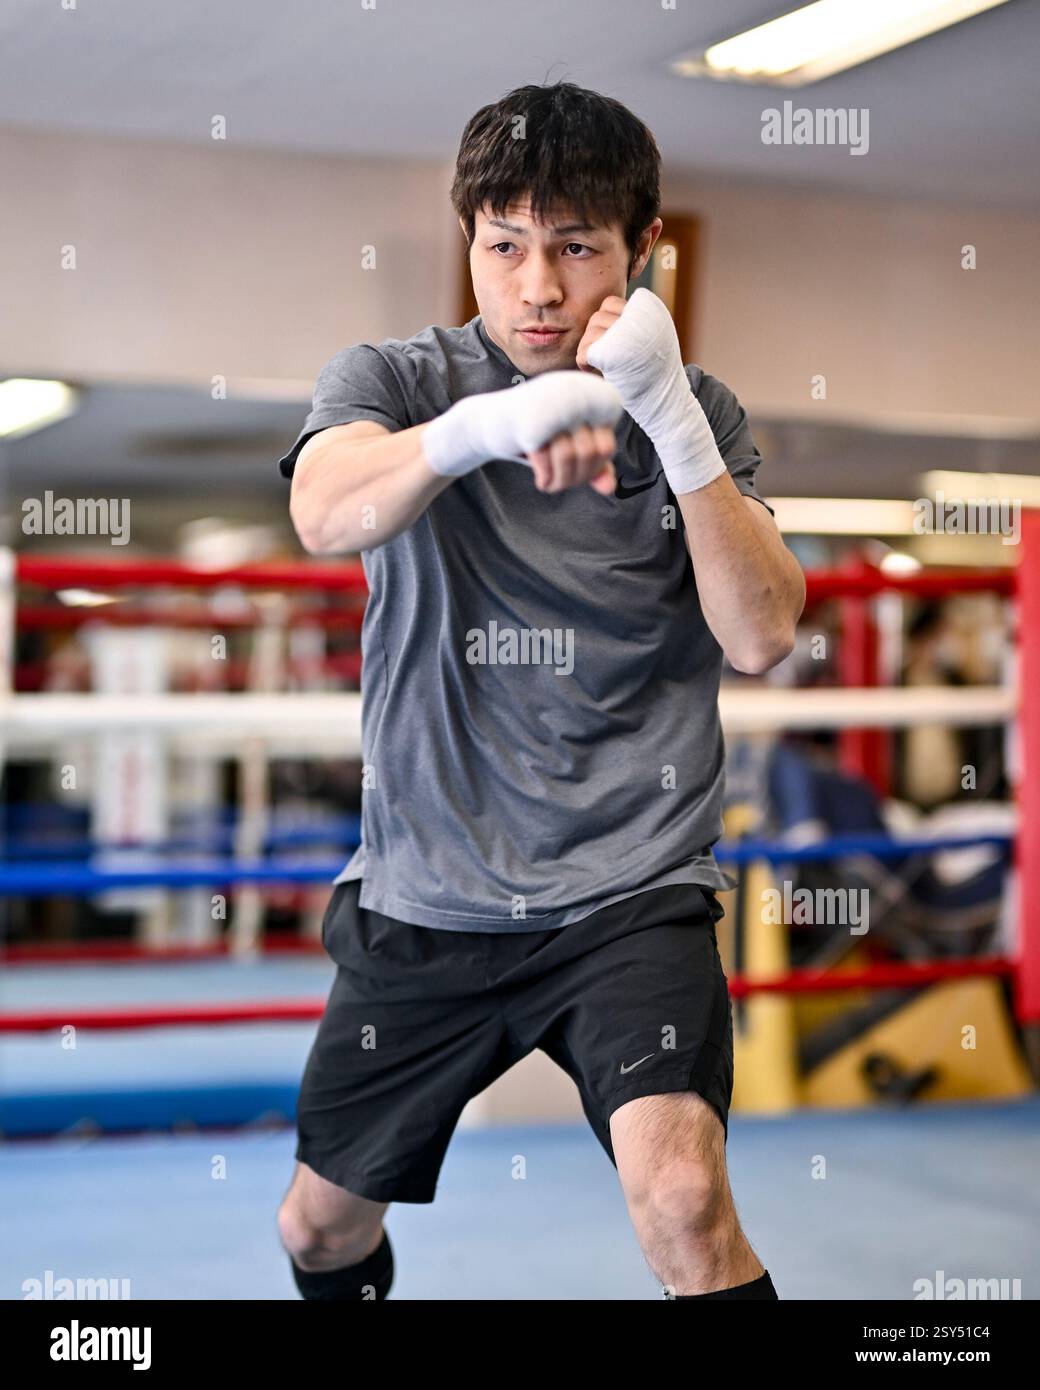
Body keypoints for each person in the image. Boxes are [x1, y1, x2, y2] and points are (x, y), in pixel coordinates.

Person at [275, 81, 805, 1301]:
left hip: (628, 890)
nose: (535, 287)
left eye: (574, 247)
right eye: (502, 246)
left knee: (681, 1196)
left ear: (642, 254)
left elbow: (765, 631)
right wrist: (489, 425)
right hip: (425, 895)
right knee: (317, 1231)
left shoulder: (697, 411)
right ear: (467, 242)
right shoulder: (398, 380)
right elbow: (320, 509)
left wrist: (665, 417)